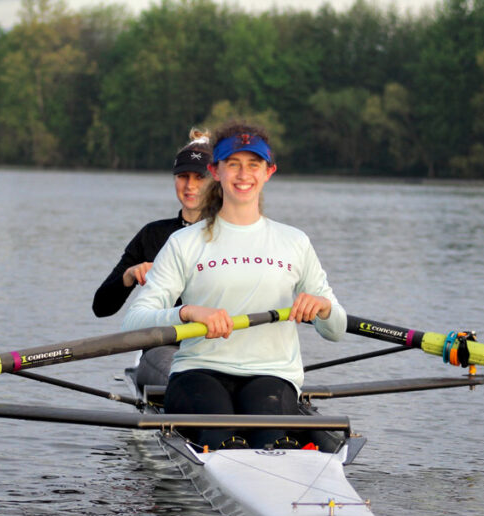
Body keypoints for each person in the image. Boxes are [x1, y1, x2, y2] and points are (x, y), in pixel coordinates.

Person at [121, 121, 346, 449]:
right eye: (233, 164)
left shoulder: (294, 242)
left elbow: (336, 329)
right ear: (216, 170)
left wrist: (324, 308)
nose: (244, 175)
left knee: (274, 441)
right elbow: (133, 324)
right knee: (221, 438)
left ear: (269, 172)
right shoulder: (184, 243)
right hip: (199, 374)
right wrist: (186, 313)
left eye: (254, 165)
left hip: (272, 377)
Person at [93, 129, 212, 386]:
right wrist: (128, 276)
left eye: (199, 178)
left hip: (217, 350)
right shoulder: (153, 235)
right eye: (182, 176)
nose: (190, 186)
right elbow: (101, 307)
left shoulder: (231, 235)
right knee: (190, 381)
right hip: (164, 350)